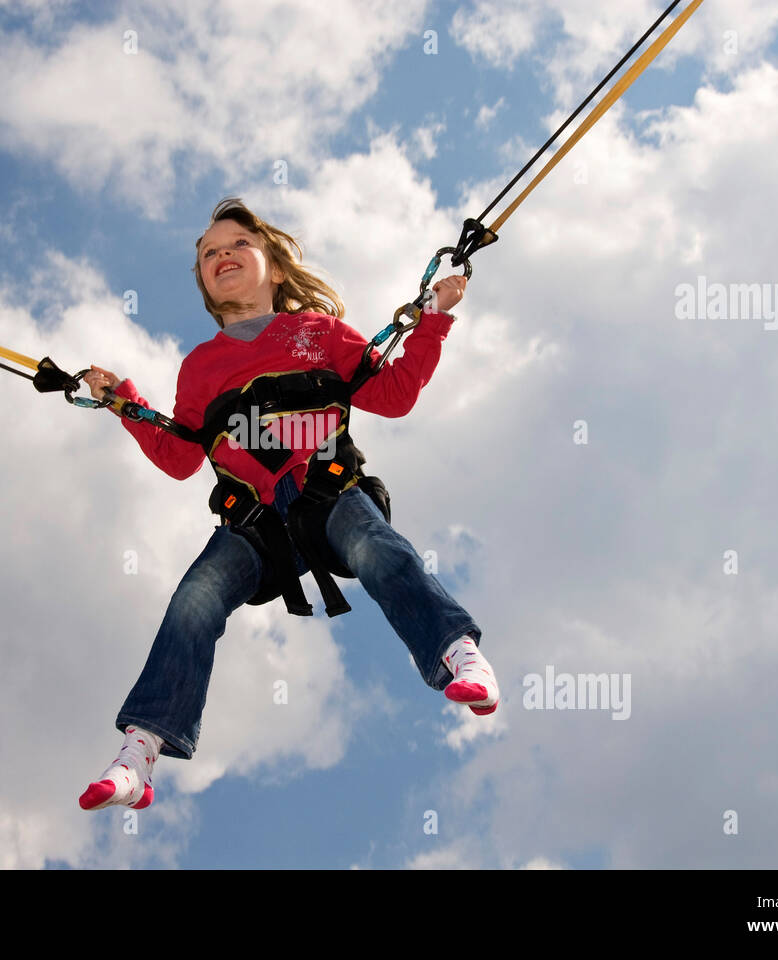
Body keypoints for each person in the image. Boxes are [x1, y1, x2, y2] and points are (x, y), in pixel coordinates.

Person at [78, 198, 497, 811]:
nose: (220, 256)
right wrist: (125, 402)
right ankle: (140, 752)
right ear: (203, 283)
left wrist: (431, 319)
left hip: (325, 490)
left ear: (273, 267)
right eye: (207, 254)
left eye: (234, 246)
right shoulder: (199, 368)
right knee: (193, 600)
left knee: (378, 549)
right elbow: (182, 456)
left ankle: (458, 654)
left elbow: (395, 393)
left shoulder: (317, 333)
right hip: (256, 521)